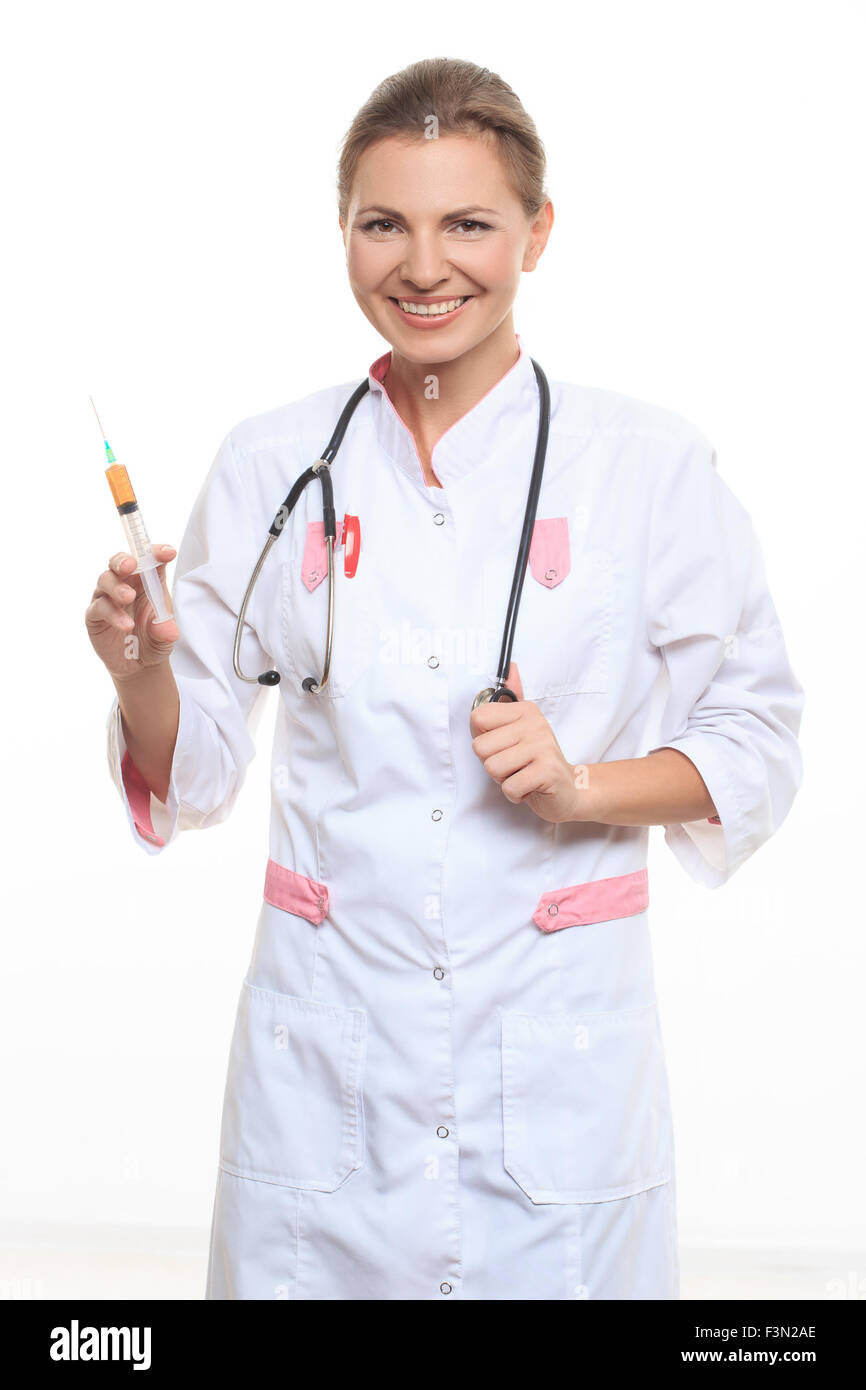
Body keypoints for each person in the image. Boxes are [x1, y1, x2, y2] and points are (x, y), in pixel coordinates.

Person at [85, 57, 804, 1300]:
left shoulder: (645, 466)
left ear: (537, 230)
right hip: (324, 1077)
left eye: (466, 223)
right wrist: (142, 669)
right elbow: (192, 764)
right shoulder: (271, 465)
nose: (424, 267)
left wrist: (579, 784)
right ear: (344, 234)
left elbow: (758, 743)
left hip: (558, 1081)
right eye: (384, 224)